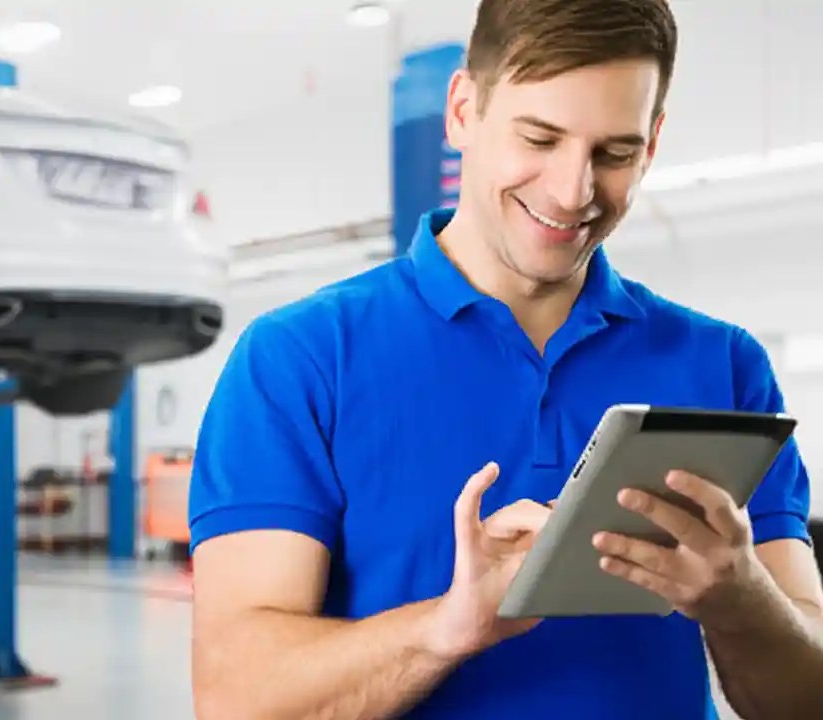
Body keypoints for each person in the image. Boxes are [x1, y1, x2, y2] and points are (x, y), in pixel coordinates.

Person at [187, 1, 823, 718]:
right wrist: (445, 629)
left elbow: (804, 698)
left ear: (651, 145)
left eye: (613, 153)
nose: (572, 191)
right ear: (463, 110)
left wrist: (741, 598)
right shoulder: (301, 360)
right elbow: (236, 698)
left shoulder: (723, 366)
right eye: (540, 137)